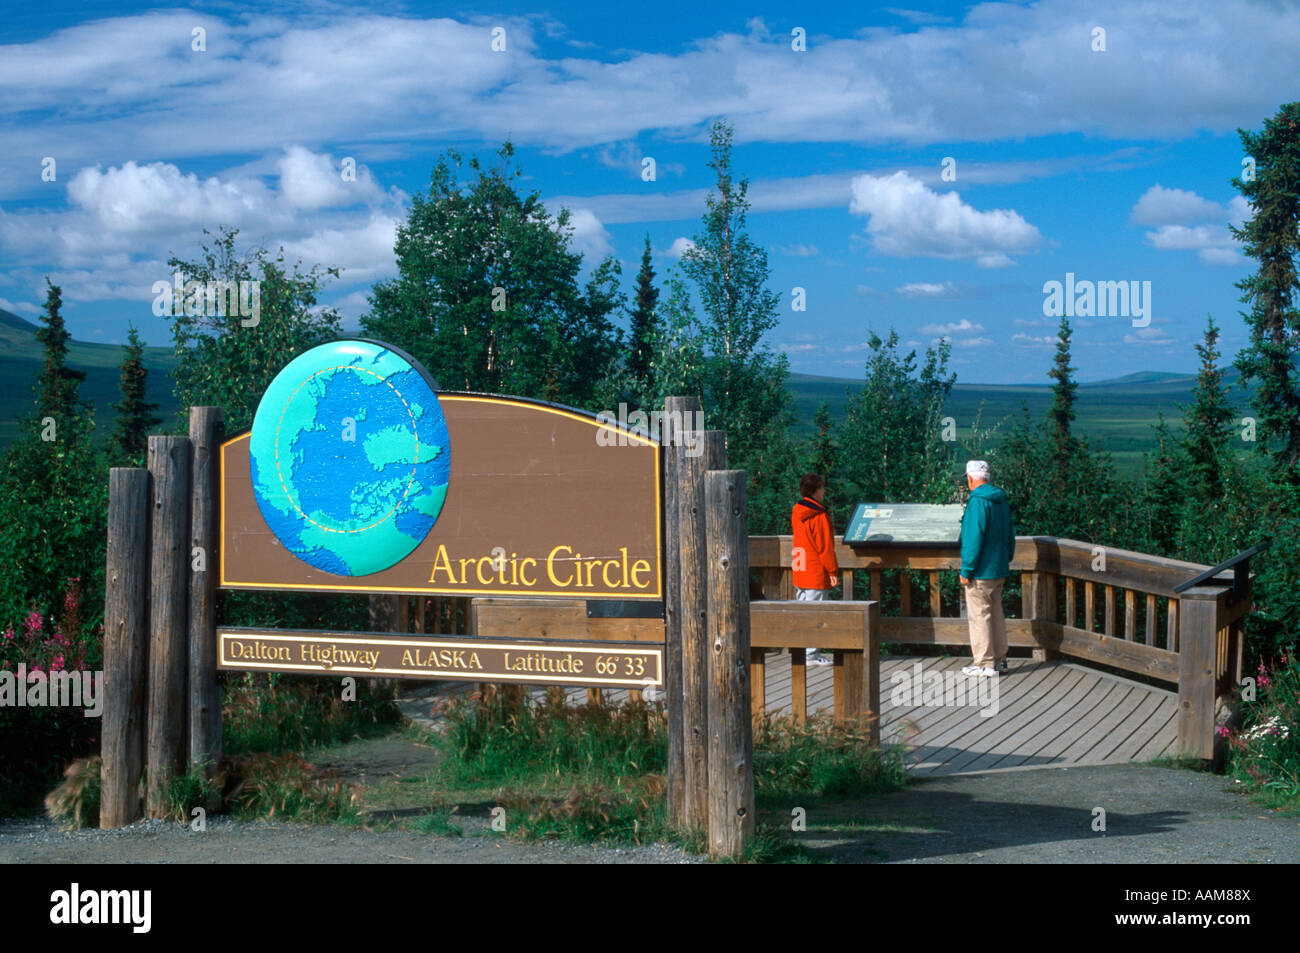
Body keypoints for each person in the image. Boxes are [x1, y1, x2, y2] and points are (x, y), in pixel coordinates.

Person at [959, 460, 1015, 678]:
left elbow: (974, 538)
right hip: (999, 567)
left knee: (979, 616)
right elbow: (1010, 534)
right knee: (996, 615)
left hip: (981, 570)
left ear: (970, 478)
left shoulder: (977, 502)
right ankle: (1000, 660)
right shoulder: (1000, 500)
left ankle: (984, 663)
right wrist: (1006, 558)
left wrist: (967, 569)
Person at [792, 473, 839, 665]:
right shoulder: (819, 516)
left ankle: (802, 651)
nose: (824, 491)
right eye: (822, 487)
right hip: (815, 571)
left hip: (799, 567)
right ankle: (811, 655)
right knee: (816, 612)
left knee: (802, 611)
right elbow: (825, 547)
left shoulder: (797, 511)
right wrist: (832, 572)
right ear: (815, 491)